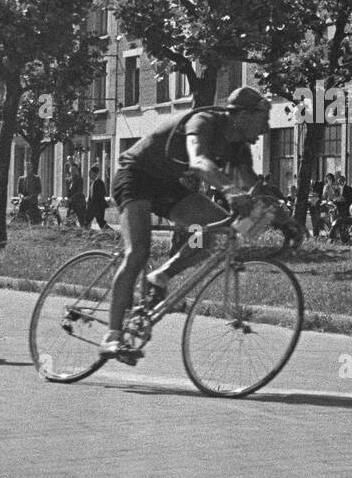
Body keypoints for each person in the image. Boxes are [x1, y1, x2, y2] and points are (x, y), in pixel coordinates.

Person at [101, 87, 279, 358]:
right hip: (135, 176)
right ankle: (112, 335)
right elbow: (198, 162)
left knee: (209, 230)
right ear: (244, 116)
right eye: (263, 119)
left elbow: (253, 186)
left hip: (166, 186)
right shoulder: (204, 122)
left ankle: (160, 276)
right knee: (138, 250)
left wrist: (285, 219)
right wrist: (230, 191)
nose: (266, 128)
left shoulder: (239, 146)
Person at [86, 164, 110, 229]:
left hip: (99, 207)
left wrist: (95, 204)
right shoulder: (92, 183)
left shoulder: (99, 182)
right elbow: (90, 196)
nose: (89, 175)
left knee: (101, 223)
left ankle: (113, 234)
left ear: (94, 173)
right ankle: (85, 234)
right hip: (93, 207)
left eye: (90, 173)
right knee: (87, 221)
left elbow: (102, 194)